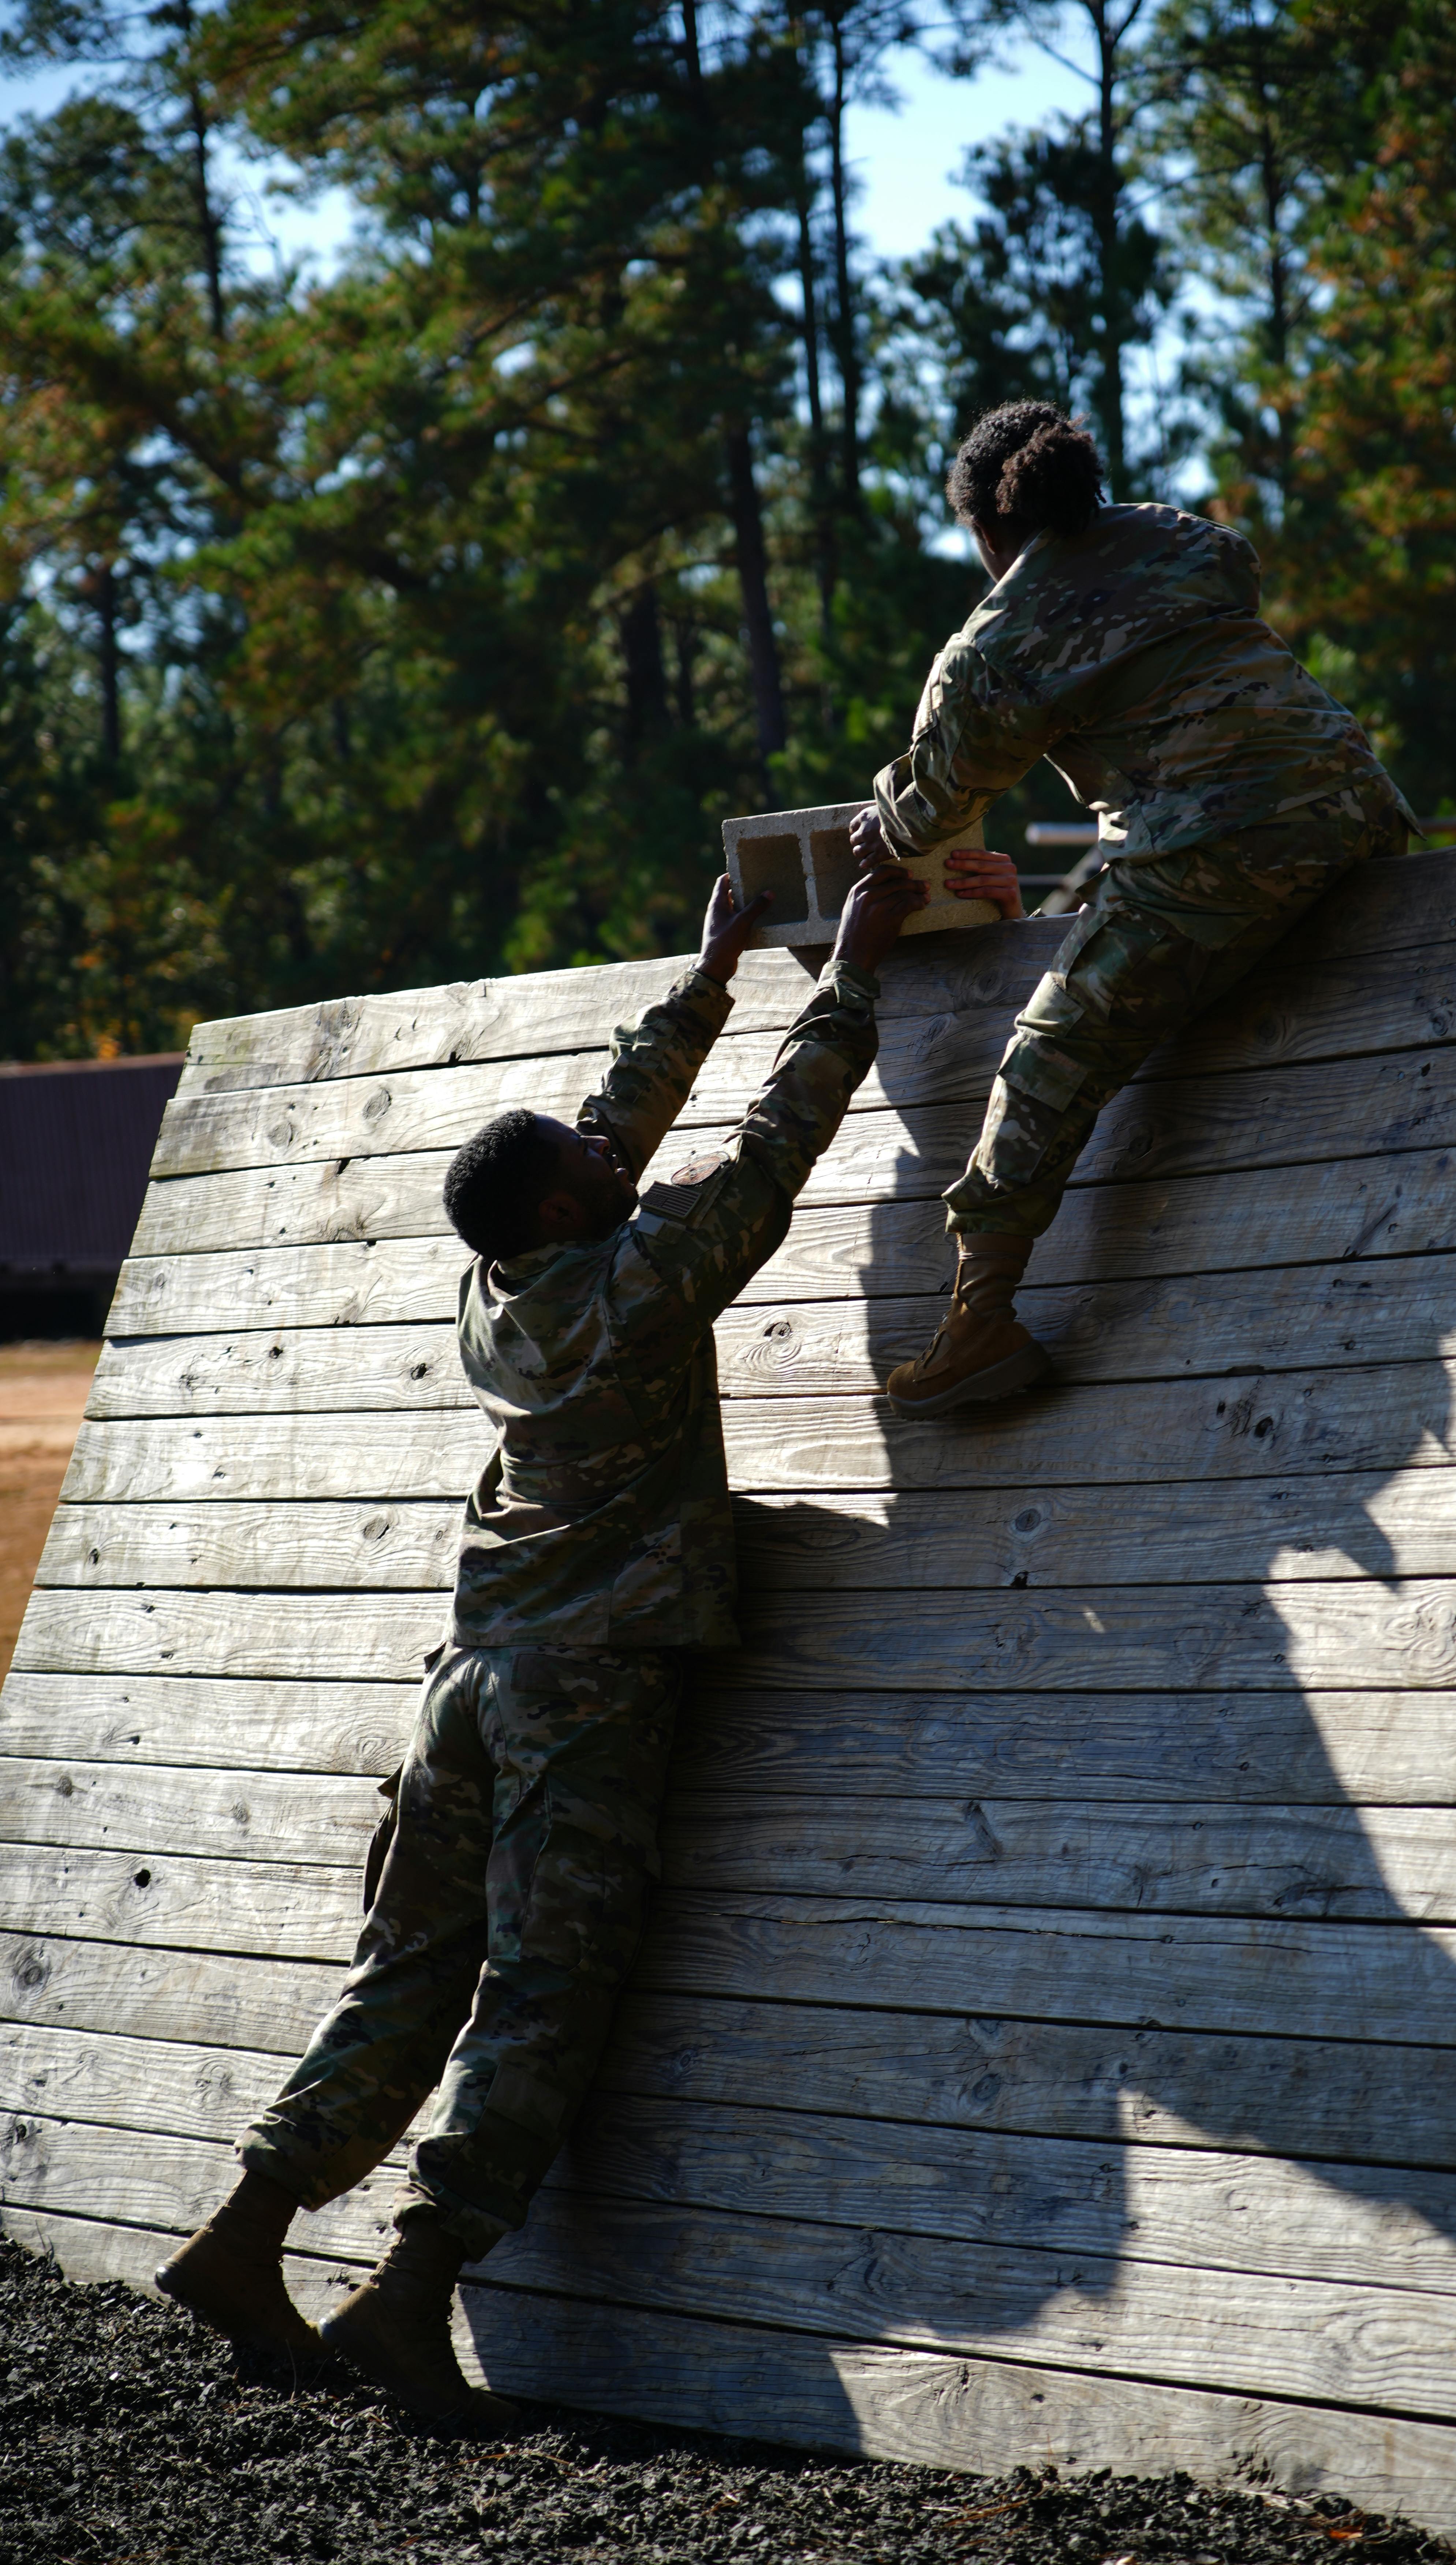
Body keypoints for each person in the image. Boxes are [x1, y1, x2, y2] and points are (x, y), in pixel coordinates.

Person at [154, 858, 927, 2431]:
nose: (607, 1140)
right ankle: (411, 2293)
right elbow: (774, 1154)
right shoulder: (639, 1284)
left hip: (468, 1687)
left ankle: (249, 2232)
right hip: (581, 1693)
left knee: (407, 1966)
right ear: (576, 1212)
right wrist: (848, 969)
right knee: (541, 1996)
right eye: (593, 1158)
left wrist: (710, 977)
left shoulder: (497, 1288)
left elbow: (603, 1139)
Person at [859, 399, 1415, 1419]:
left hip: (1219, 854)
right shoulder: (1181, 537)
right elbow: (1233, 571)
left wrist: (876, 828)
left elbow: (935, 802)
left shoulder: (998, 636)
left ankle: (980, 1323)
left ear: (983, 531)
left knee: (1045, 1061)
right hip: (1358, 803)